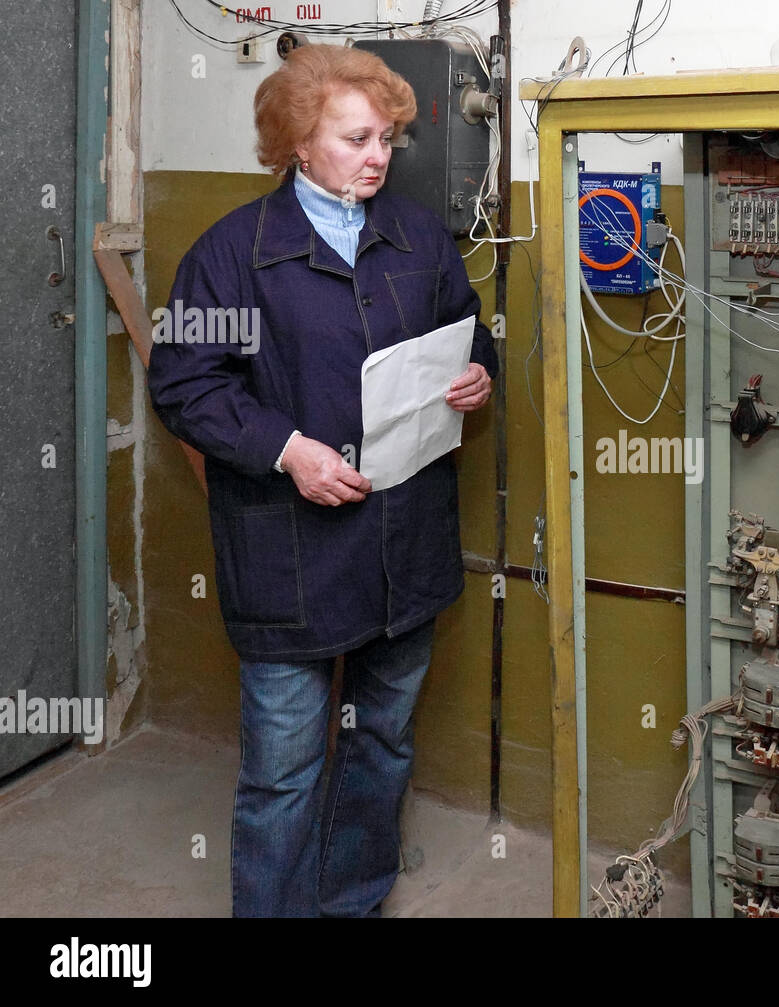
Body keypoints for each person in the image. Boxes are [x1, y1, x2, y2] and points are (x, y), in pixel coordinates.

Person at [147, 43, 498, 917]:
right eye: (355, 139)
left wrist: (478, 370)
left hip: (404, 537)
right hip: (290, 553)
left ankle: (352, 900)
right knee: (283, 772)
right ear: (299, 144)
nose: (377, 157)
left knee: (380, 743)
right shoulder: (232, 251)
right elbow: (184, 381)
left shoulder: (418, 235)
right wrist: (287, 448)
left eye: (386, 139)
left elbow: (465, 328)